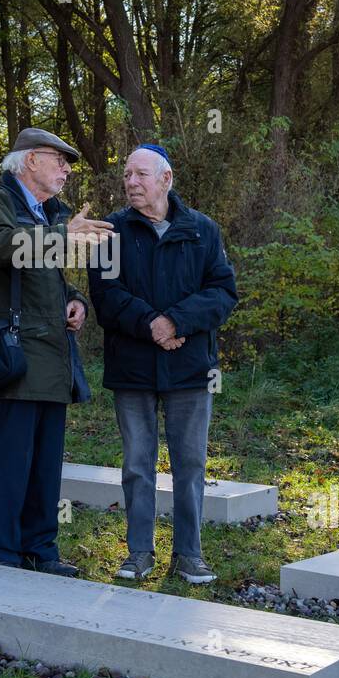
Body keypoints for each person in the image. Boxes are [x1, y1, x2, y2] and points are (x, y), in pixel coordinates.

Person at [87, 144, 238, 583]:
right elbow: (106, 296)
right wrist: (151, 322)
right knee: (137, 463)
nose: (131, 183)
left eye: (140, 175)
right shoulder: (111, 231)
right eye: (127, 176)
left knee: (190, 465)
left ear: (165, 179)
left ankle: (189, 554)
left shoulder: (202, 231)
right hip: (132, 368)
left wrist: (176, 321)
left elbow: (223, 293)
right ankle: (139, 553)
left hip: (190, 369)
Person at [0, 127, 115, 575]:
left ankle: (42, 551)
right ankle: (3, 554)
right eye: (59, 160)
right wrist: (58, 236)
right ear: (30, 161)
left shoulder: (47, 212)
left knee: (46, 466)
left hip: (53, 358)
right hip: (15, 357)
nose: (67, 169)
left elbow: (42, 279)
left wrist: (75, 300)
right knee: (11, 463)